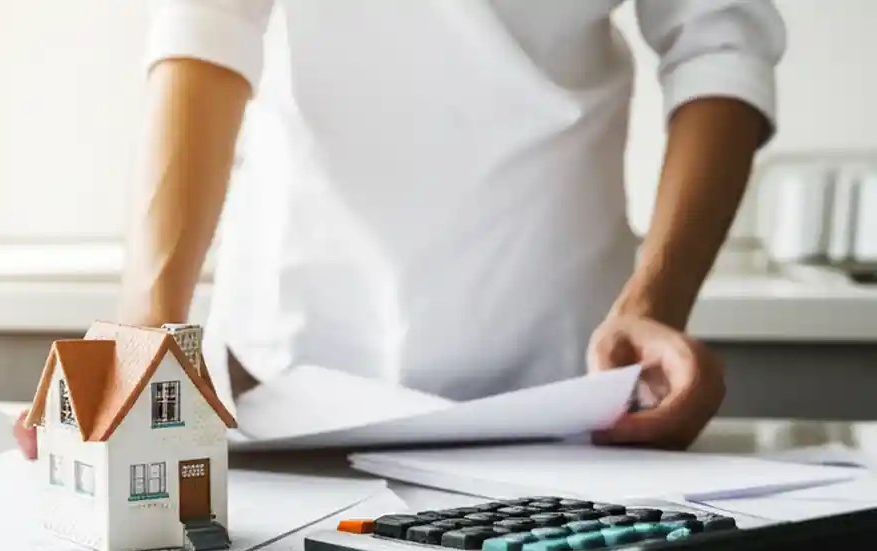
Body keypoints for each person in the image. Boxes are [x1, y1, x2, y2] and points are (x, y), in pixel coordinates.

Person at [116, 0, 785, 449]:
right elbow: (204, 27)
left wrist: (656, 305)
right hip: (285, 361)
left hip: (562, 374)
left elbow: (718, 44)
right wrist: (146, 323)